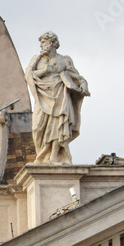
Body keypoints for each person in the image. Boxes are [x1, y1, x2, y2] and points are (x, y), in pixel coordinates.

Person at [25, 32, 89, 163]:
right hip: (43, 96)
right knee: (37, 127)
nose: (41, 45)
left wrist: (83, 85)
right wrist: (45, 71)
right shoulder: (36, 59)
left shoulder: (64, 60)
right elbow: (28, 75)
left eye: (44, 42)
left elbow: (76, 77)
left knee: (58, 125)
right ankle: (41, 154)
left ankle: (53, 156)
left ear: (52, 42)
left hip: (59, 93)